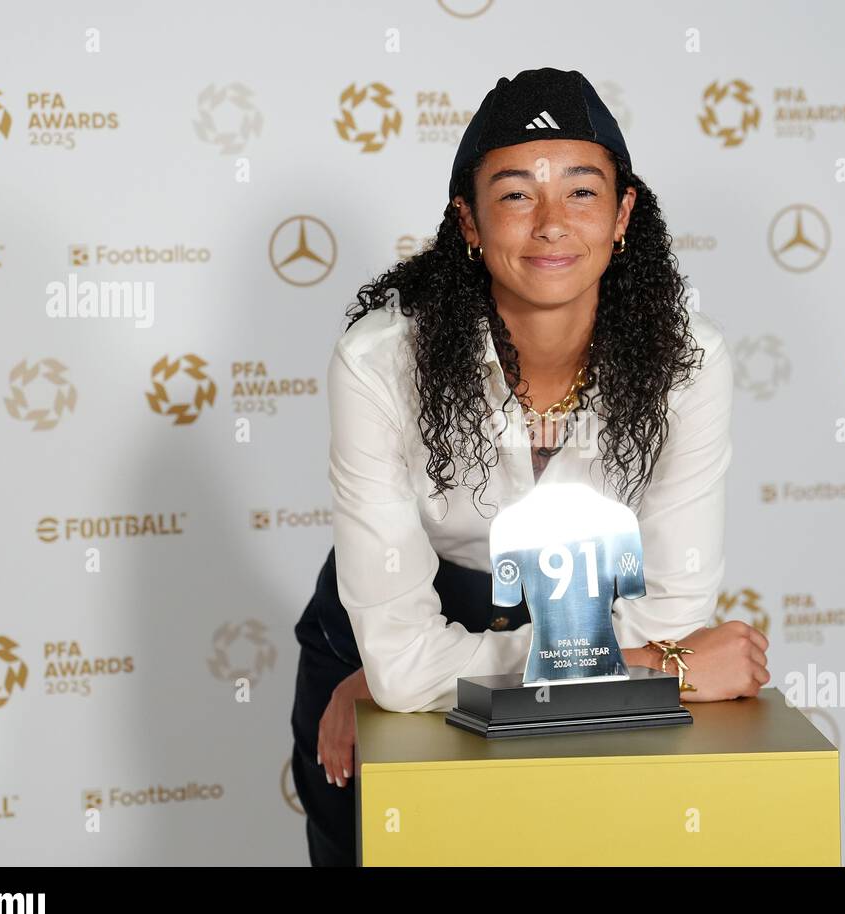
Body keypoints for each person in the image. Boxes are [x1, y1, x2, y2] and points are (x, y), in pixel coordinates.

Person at [289, 66, 770, 867]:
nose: (551, 223)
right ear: (468, 221)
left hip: (541, 642)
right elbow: (404, 658)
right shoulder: (379, 364)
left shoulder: (691, 363)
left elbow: (667, 611)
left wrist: (430, 677)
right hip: (393, 625)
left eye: (581, 192)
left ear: (623, 215)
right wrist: (655, 669)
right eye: (515, 194)